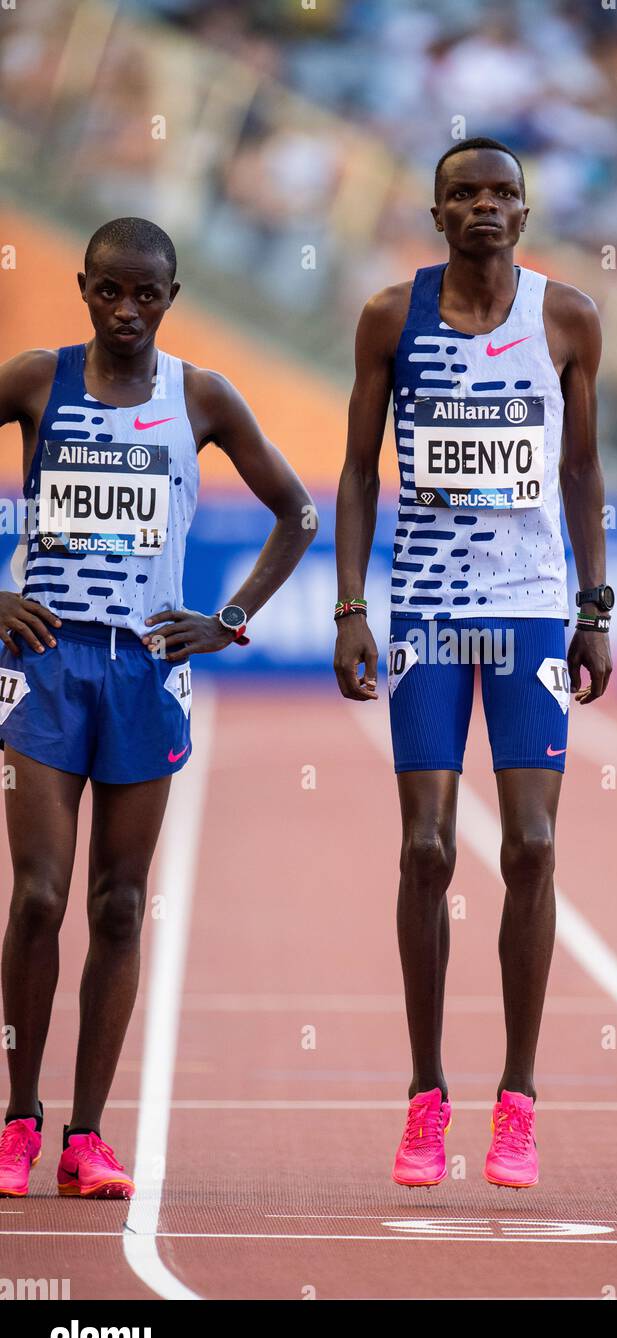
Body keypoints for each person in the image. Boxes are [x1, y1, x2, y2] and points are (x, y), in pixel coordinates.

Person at [0, 216, 316, 1198]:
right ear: (84, 287)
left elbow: (298, 511)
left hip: (145, 674)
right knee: (41, 895)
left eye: (147, 295)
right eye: (109, 291)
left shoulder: (201, 396)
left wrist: (227, 618)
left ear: (171, 298)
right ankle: (18, 1118)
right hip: (44, 668)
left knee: (120, 905)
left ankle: (87, 1137)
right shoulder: (31, 379)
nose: (127, 311)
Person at [334, 138, 612, 1188]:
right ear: (436, 213)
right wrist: (351, 606)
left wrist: (593, 608)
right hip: (429, 616)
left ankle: (518, 1100)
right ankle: (422, 1094)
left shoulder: (566, 317)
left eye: (501, 193)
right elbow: (357, 472)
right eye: (464, 194)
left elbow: (582, 470)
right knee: (425, 851)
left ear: (525, 213)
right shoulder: (385, 318)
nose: (484, 207)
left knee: (532, 846)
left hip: (534, 608)